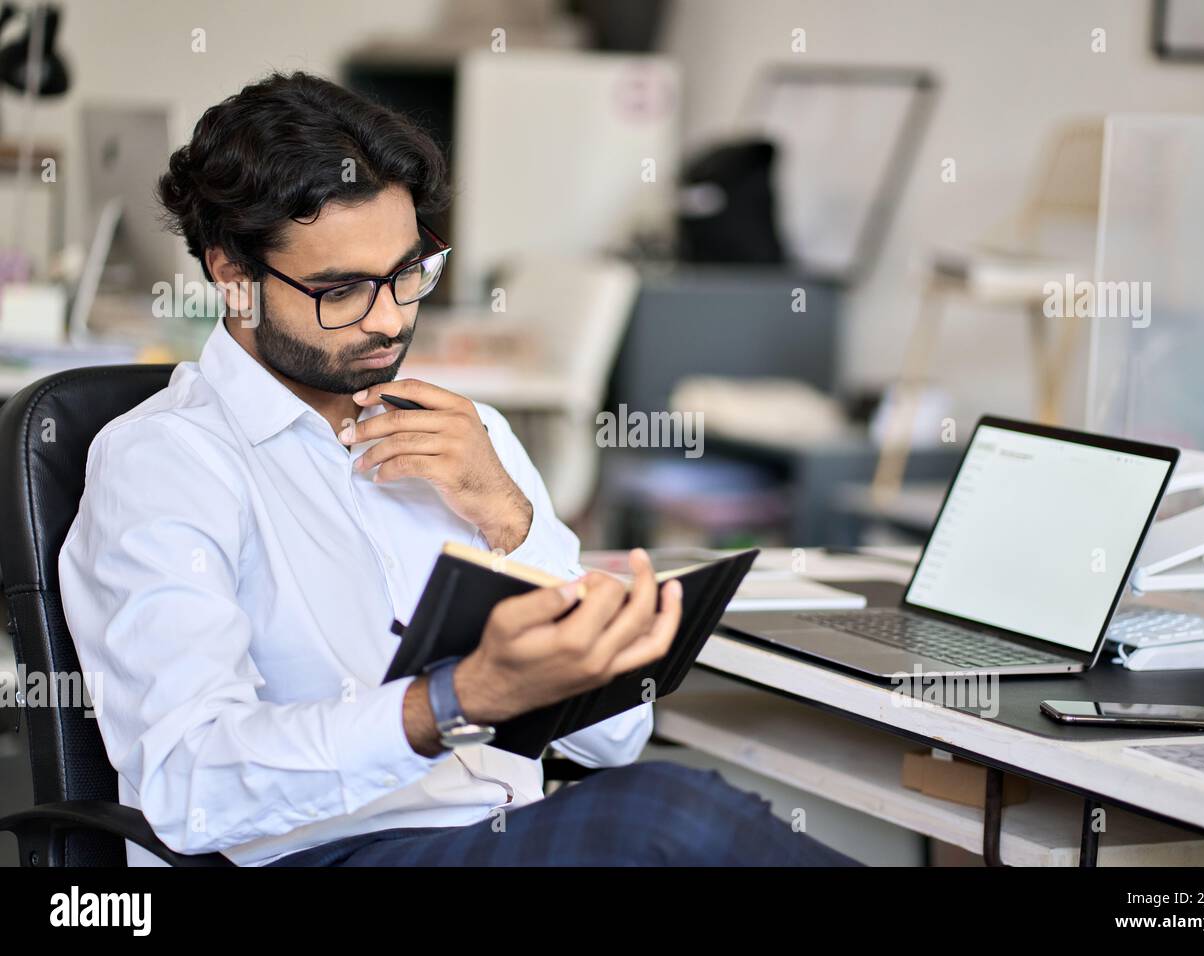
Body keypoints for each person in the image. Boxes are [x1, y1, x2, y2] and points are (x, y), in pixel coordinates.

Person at [57, 72, 857, 867]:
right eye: (342, 290)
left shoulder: (473, 442)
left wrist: (510, 519)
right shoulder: (165, 464)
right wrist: (453, 703)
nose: (391, 318)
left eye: (408, 273)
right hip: (315, 855)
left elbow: (616, 737)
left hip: (501, 832)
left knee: (677, 808)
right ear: (235, 277)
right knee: (669, 817)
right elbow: (189, 784)